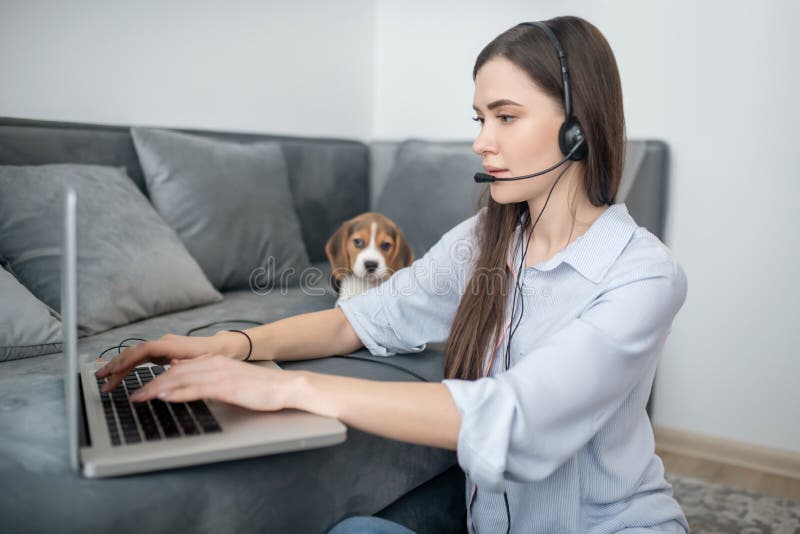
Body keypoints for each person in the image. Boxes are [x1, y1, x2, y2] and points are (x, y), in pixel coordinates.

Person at [96, 15, 689, 534]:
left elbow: (514, 419)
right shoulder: (485, 240)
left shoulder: (643, 275)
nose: (481, 143)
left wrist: (285, 388)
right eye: (479, 118)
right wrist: (228, 346)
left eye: (506, 117)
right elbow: (360, 319)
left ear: (576, 130)